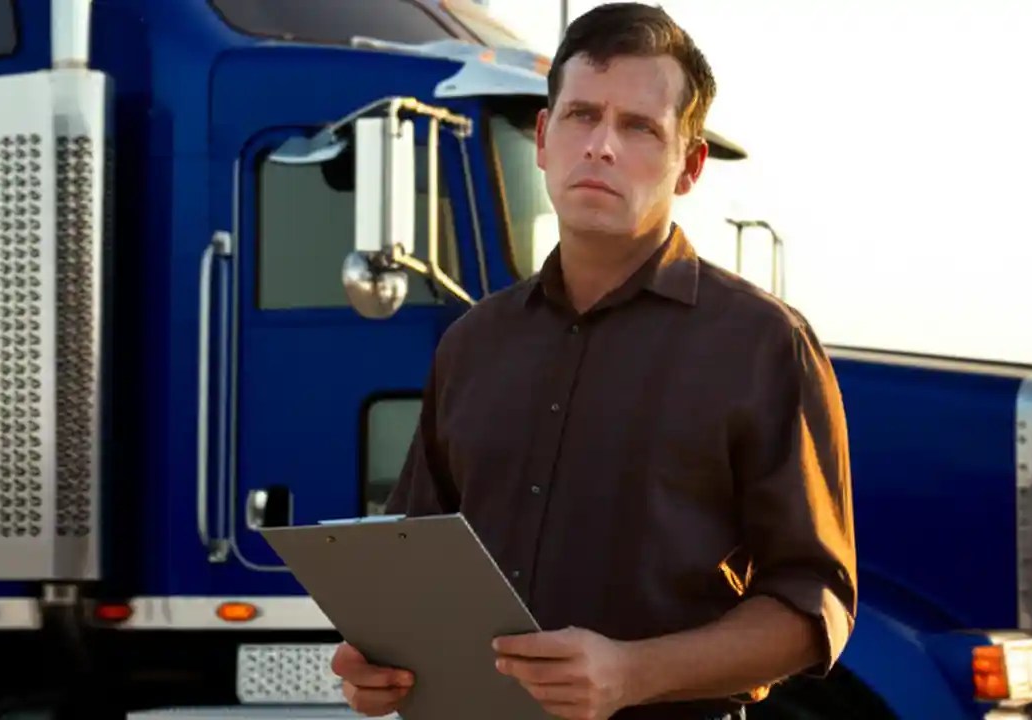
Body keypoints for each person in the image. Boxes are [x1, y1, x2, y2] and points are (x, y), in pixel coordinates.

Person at [330, 3, 857, 719]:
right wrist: (380, 661)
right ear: (544, 138)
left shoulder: (763, 345)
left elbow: (811, 606)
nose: (601, 147)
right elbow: (412, 562)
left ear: (689, 165)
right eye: (581, 116)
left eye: (639, 127)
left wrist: (634, 673)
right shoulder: (471, 344)